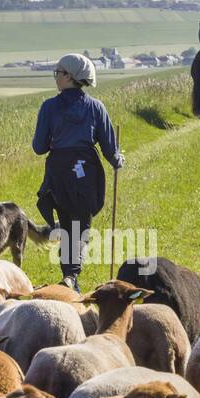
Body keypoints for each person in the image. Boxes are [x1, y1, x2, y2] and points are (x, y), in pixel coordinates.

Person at [32, 53, 123, 290]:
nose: (55, 77)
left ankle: (70, 278)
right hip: (86, 172)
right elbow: (110, 149)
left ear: (69, 76)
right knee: (80, 227)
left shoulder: (49, 107)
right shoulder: (96, 107)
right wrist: (117, 161)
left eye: (58, 72)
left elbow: (39, 147)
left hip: (59, 172)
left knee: (67, 225)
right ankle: (71, 278)